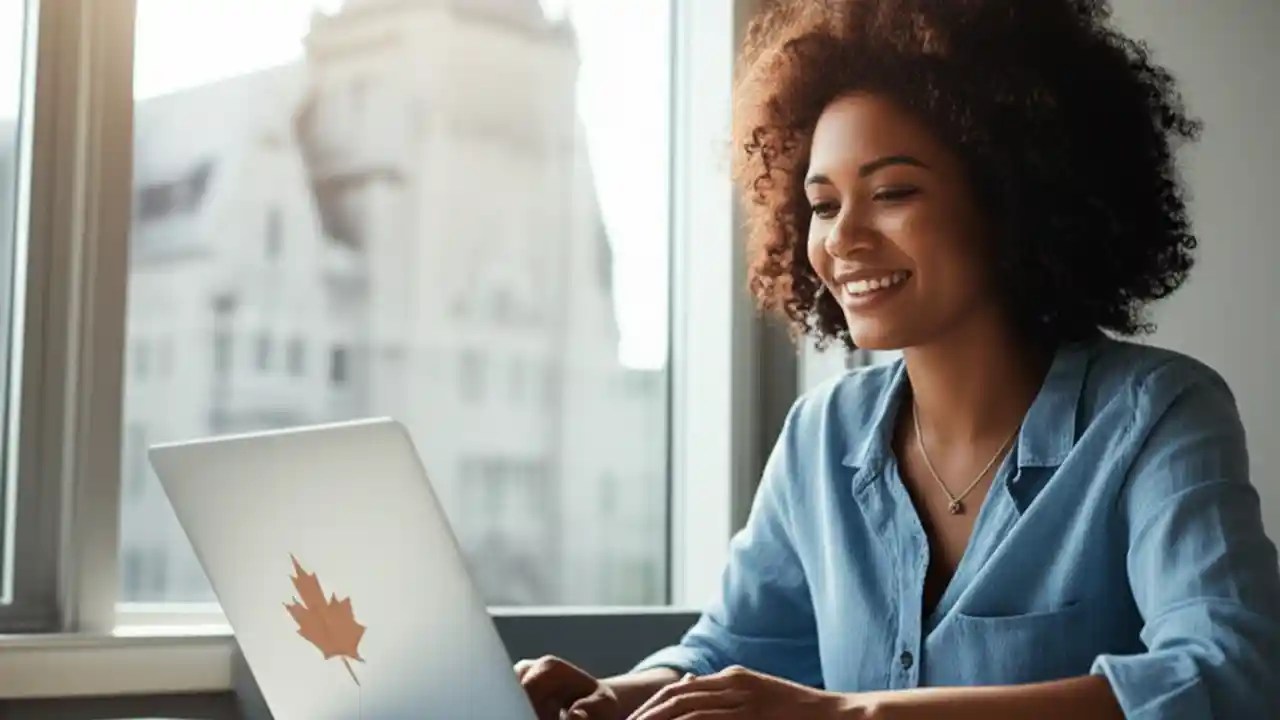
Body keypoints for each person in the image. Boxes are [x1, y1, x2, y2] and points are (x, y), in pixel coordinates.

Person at [516, 0, 1280, 717]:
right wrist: (612, 696)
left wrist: (850, 714)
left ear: (1012, 197)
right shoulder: (823, 435)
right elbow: (732, 651)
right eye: (822, 205)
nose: (842, 238)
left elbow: (1227, 673)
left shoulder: (1156, 414)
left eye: (892, 193)